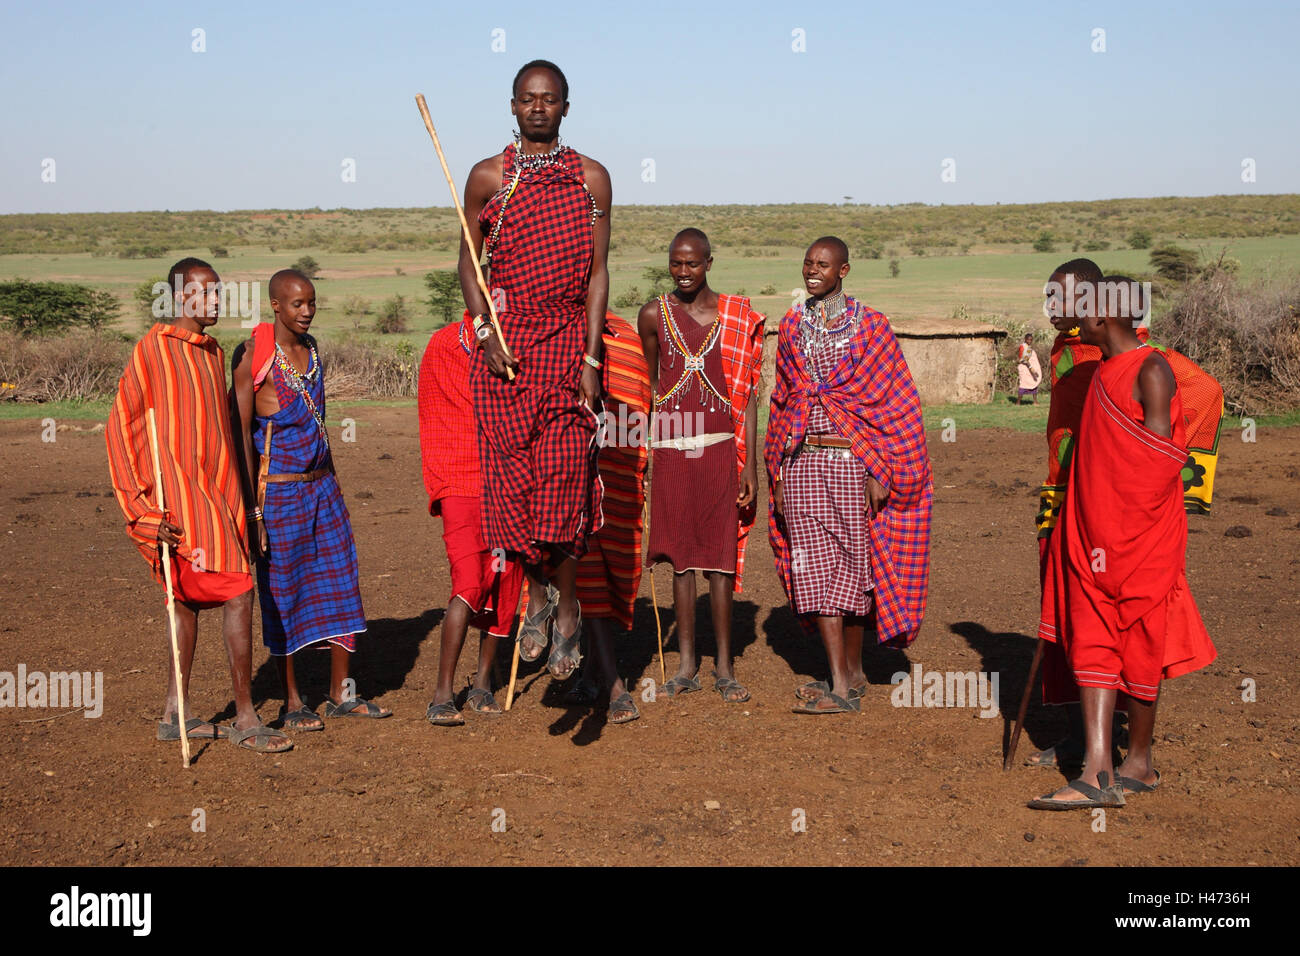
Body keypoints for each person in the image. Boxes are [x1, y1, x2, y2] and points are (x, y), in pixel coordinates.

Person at [1029, 275, 1218, 809]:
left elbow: (1157, 462)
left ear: (1103, 317)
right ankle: (1117, 766)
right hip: (1097, 529)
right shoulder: (1103, 369)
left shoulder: (1150, 369)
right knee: (1101, 638)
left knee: (1136, 640)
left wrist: (1112, 531)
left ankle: (1111, 771)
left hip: (1132, 535)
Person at [457, 59, 611, 683]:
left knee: (564, 482)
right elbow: (467, 262)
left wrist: (593, 356)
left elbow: (600, 273)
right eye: (528, 98)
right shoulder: (488, 177)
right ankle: (540, 596)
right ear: (513, 106)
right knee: (514, 495)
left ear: (566, 108)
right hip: (506, 350)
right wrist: (485, 330)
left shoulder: (592, 180)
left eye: (550, 99)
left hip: (569, 343)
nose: (538, 107)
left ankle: (566, 605)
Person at [106, 257, 291, 753]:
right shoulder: (153, 351)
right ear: (178, 297)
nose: (213, 301)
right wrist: (143, 511)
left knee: (185, 601)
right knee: (238, 592)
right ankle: (247, 717)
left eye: (217, 293)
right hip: (178, 502)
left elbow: (223, 430)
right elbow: (120, 428)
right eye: (203, 293)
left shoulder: (210, 355)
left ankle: (174, 711)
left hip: (218, 495)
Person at [766, 237, 933, 714]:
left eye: (823, 265)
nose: (812, 271)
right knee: (815, 567)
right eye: (807, 263)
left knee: (856, 571)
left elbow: (895, 403)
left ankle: (854, 675)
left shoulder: (872, 327)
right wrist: (777, 471)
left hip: (853, 463)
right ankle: (840, 683)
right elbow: (782, 400)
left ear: (844, 270)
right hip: (802, 462)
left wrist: (881, 470)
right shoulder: (793, 324)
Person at [230, 270, 387, 733]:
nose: (306, 311)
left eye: (311, 303)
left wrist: (334, 484)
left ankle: (340, 693)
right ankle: (293, 700)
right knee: (284, 592)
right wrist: (252, 512)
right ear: (275, 305)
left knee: (341, 581)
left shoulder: (313, 350)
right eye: (297, 304)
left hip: (323, 487)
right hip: (278, 491)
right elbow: (239, 433)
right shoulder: (253, 356)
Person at [635, 228, 764, 703]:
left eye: (692, 263)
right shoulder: (654, 315)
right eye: (676, 263)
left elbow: (747, 394)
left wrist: (747, 466)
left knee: (720, 560)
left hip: (719, 449)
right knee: (680, 559)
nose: (683, 272)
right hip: (673, 451)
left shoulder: (734, 316)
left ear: (710, 262)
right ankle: (687, 665)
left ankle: (725, 668)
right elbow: (654, 385)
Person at [418, 311, 525, 726]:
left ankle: (482, 684)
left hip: (509, 480)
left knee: (505, 579)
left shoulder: (521, 338)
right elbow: (436, 412)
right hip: (460, 479)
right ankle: (442, 693)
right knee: (469, 579)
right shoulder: (446, 344)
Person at [565, 311, 652, 723]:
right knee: (589, 576)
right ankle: (615, 685)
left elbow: (638, 407)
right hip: (567, 475)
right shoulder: (554, 331)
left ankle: (589, 672)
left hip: (619, 476)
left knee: (616, 571)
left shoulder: (625, 339)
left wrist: (639, 461)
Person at [1016, 333, 1042, 404]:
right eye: (1028, 339)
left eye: (1031, 340)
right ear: (1025, 339)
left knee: (1034, 383)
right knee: (1023, 384)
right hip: (1025, 369)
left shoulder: (1028, 347)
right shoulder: (1023, 347)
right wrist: (1032, 370)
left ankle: (1035, 401)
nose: (1029, 341)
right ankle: (1018, 402)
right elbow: (1025, 360)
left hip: (1029, 369)